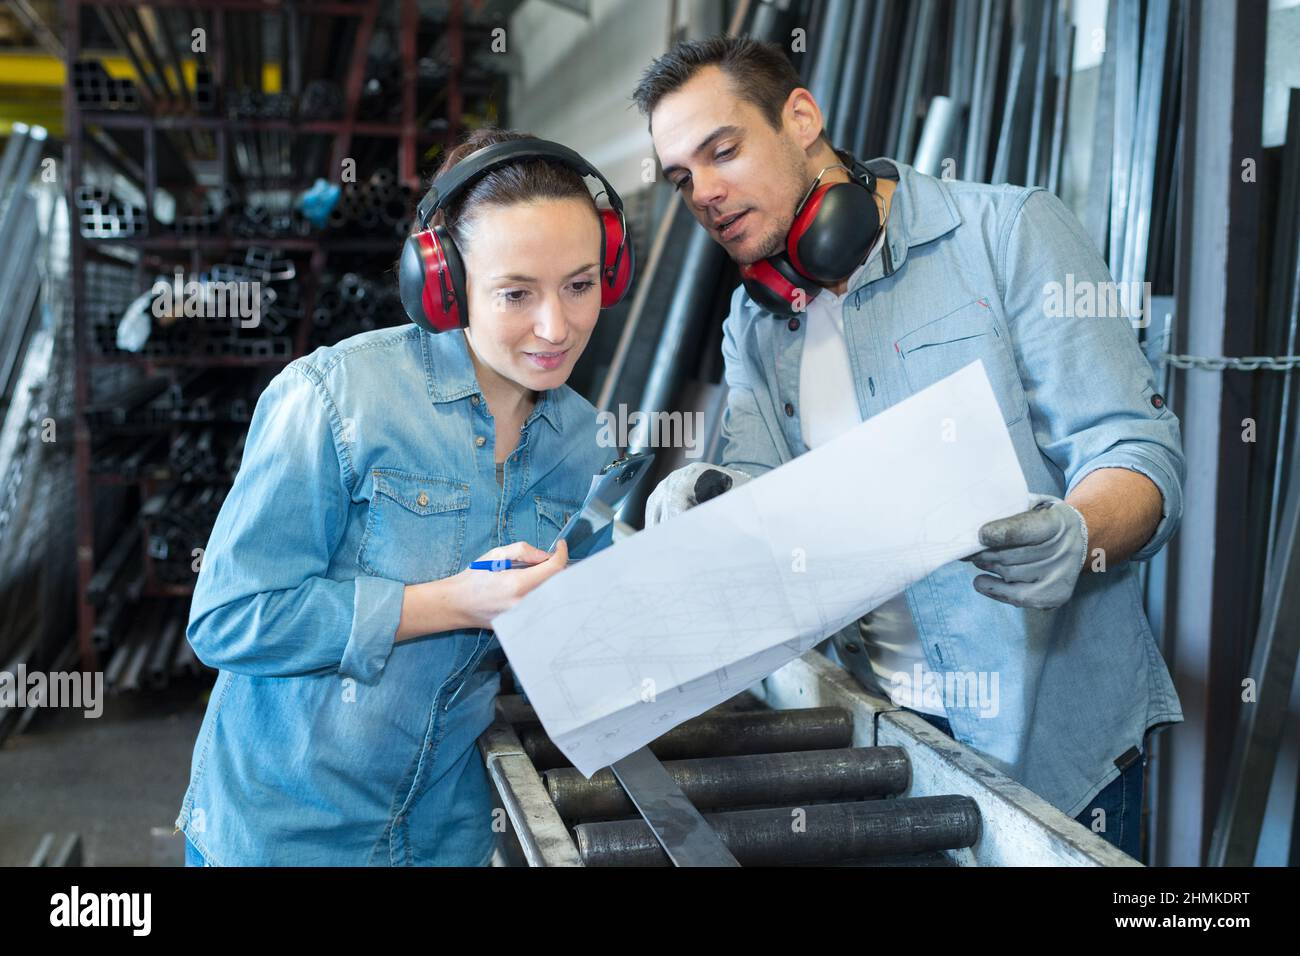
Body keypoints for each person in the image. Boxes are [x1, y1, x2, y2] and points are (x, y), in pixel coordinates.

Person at [635, 36, 1183, 859]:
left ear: (801, 117)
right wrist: (703, 497)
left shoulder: (1008, 233)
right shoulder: (757, 323)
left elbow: (1137, 451)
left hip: (1054, 748)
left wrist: (1081, 532)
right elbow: (755, 487)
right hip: (877, 740)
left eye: (723, 151)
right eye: (682, 179)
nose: (705, 193)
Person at [175, 128, 632, 865]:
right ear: (444, 283)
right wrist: (451, 602)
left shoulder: (582, 441)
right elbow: (230, 620)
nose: (558, 326)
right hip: (283, 837)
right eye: (516, 293)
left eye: (580, 285)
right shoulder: (337, 397)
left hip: (442, 836)